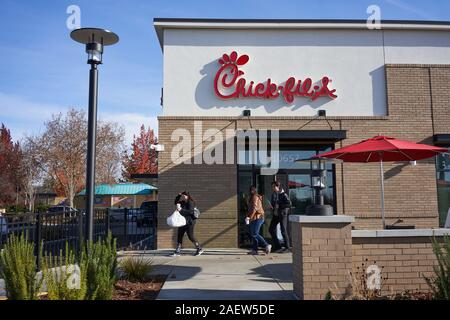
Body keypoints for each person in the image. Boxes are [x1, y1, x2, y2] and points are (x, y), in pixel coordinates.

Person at [172, 191, 204, 257]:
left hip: (190, 222)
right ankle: (177, 251)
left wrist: (181, 210)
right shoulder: (182, 202)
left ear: (188, 196)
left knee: (190, 236)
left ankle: (199, 248)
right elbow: (175, 202)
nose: (183, 197)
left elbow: (190, 212)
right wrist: (178, 196)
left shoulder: (190, 202)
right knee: (179, 235)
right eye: (183, 196)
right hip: (182, 221)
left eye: (184, 196)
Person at [247, 186, 272, 255]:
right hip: (254, 218)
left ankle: (266, 245)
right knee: (253, 234)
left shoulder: (255, 197)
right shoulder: (251, 198)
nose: (251, 191)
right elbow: (250, 209)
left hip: (258, 218)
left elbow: (254, 208)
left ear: (254, 191)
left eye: (252, 190)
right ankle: (255, 250)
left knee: (255, 233)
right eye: (250, 190)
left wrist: (249, 217)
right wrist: (248, 217)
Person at [269, 181, 292, 253]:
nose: (272, 188)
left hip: (282, 214)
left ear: (277, 186)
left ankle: (287, 247)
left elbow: (289, 204)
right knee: (271, 229)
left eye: (273, 186)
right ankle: (277, 246)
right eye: (272, 187)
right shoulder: (274, 194)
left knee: (283, 230)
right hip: (276, 214)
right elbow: (274, 204)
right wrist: (272, 207)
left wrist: (280, 206)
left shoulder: (284, 194)